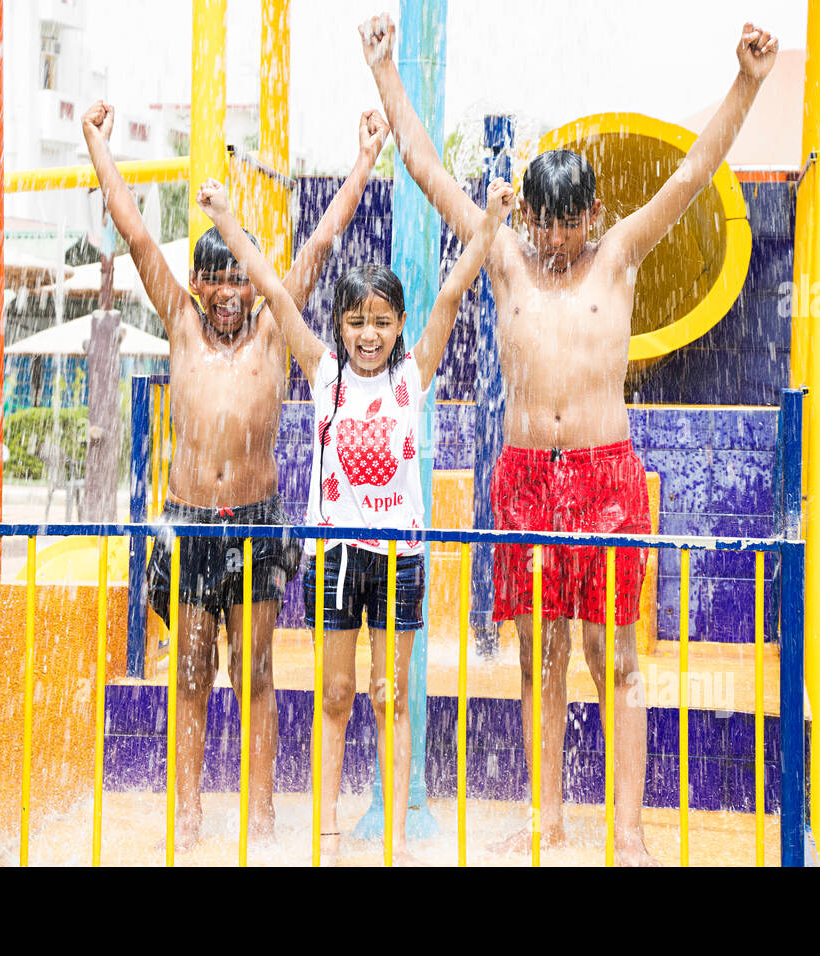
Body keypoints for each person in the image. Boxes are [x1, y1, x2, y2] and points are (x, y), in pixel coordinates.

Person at [361, 14, 777, 864]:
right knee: (537, 661)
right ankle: (545, 820)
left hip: (604, 477)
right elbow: (425, 168)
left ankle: (627, 831)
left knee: (613, 658)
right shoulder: (505, 256)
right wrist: (385, 72)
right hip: (524, 479)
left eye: (568, 223)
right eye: (544, 223)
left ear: (593, 212)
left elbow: (695, 172)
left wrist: (746, 82)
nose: (555, 240)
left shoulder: (618, 254)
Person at [81, 100, 391, 851]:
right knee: (190, 674)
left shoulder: (272, 329)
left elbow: (321, 242)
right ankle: (187, 821)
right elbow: (135, 231)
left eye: (237, 280)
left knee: (255, 674)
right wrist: (97, 147)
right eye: (213, 281)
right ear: (194, 284)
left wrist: (364, 161)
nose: (227, 293)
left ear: (253, 282)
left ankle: (261, 817)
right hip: (188, 522)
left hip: (255, 522)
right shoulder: (180, 323)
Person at [199, 174, 514, 863]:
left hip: (399, 557)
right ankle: (329, 836)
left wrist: (490, 222)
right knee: (337, 694)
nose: (368, 334)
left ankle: (395, 838)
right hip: (335, 556)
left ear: (398, 324)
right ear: (339, 327)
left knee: (390, 695)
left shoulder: (412, 377)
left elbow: (453, 292)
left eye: (381, 321)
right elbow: (274, 290)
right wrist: (224, 219)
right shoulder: (323, 373)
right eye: (355, 322)